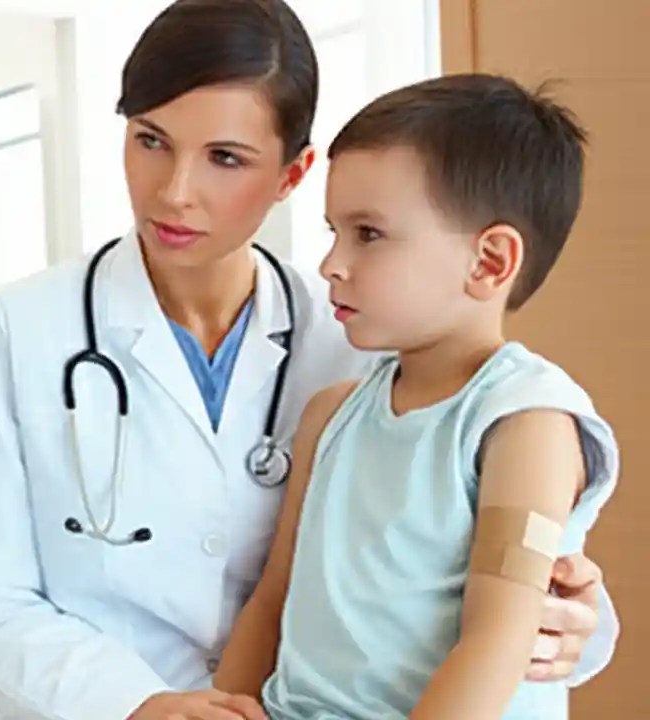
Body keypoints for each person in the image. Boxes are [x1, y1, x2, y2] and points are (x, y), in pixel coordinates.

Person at [0, 2, 619, 719]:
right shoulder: (29, 326)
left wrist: (576, 624)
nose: (174, 191)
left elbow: (489, 592)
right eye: (150, 140)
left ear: (292, 176)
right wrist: (141, 703)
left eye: (225, 157)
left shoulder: (356, 337)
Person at [211, 74, 619, 720]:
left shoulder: (525, 425)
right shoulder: (331, 419)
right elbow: (273, 599)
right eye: (333, 232)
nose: (331, 264)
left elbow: (499, 640)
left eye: (368, 234)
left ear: (488, 262)